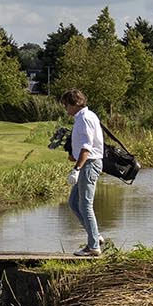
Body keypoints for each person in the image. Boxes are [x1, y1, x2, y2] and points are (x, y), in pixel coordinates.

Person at [60, 89, 104, 256]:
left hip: (89, 165)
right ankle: (95, 236)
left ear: (74, 104)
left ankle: (93, 247)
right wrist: (73, 155)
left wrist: (76, 169)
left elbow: (87, 147)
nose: (65, 109)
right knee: (73, 202)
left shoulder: (85, 118)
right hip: (87, 162)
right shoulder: (84, 117)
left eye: (66, 105)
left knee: (85, 205)